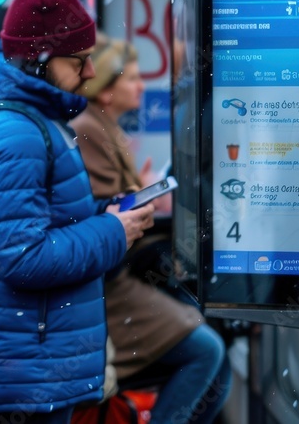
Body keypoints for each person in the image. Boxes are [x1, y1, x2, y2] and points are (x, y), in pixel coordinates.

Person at [0, 0, 154, 423]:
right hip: (25, 369)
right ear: (39, 60)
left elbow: (36, 224)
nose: (91, 73)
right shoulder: (17, 134)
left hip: (24, 362)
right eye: (78, 61)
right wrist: (113, 230)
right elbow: (23, 258)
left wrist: (105, 214)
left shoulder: (24, 121)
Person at [69, 35, 231, 424]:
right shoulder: (90, 130)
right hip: (112, 291)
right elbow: (101, 214)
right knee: (206, 351)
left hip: (116, 283)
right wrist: (137, 201)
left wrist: (137, 196)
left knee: (210, 354)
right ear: (106, 90)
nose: (143, 86)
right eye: (132, 79)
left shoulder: (103, 128)